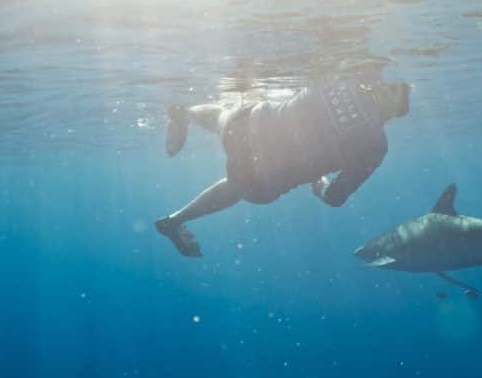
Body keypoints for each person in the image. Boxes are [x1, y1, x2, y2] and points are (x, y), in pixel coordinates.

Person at [155, 79, 410, 257]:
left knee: (224, 117)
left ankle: (185, 114)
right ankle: (174, 221)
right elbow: (336, 197)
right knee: (239, 187)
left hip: (248, 122)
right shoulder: (376, 144)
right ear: (393, 115)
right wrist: (320, 185)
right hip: (263, 174)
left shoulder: (341, 80)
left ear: (377, 86)